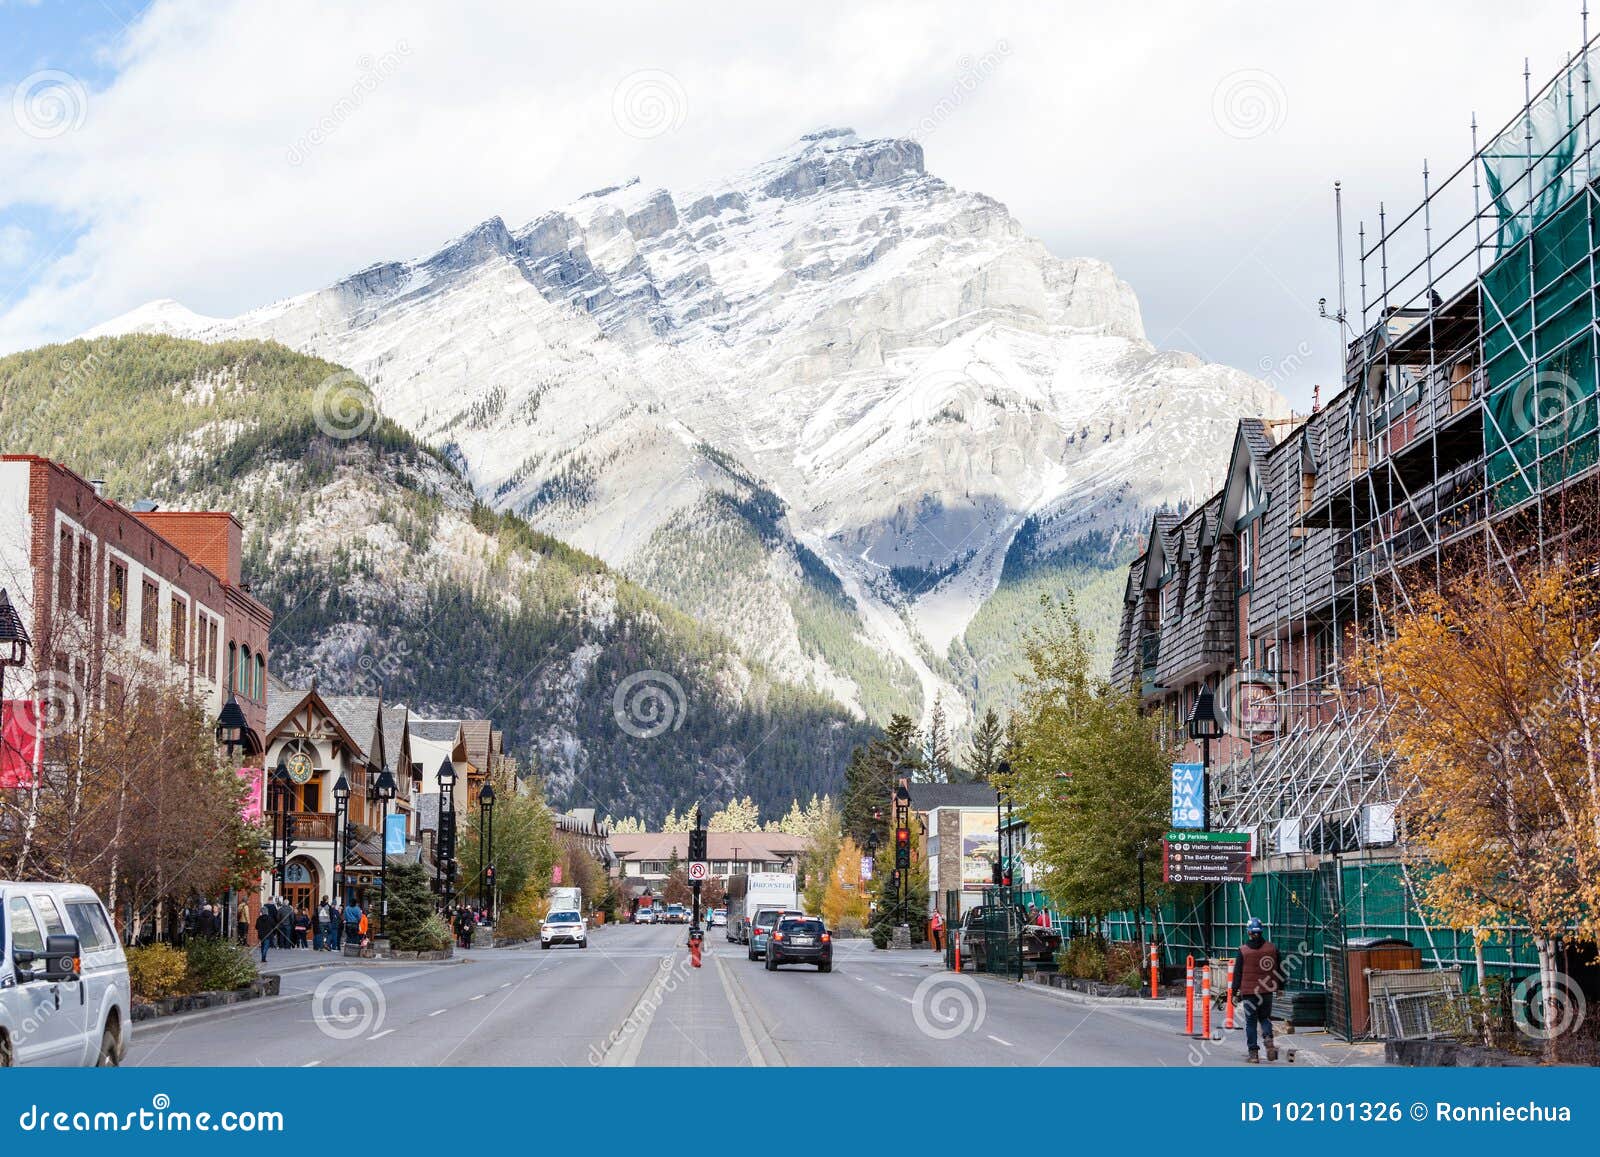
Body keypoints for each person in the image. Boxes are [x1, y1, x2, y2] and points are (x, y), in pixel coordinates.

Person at [1230, 917, 1285, 1063]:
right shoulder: (1272, 948)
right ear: (1261, 931)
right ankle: (1268, 1039)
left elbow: (1237, 973)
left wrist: (1233, 992)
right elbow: (1280, 969)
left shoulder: (1243, 950)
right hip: (1266, 992)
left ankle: (1253, 1054)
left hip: (1249, 993)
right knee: (1265, 1018)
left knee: (1251, 1022)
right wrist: (1281, 987)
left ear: (1248, 932)